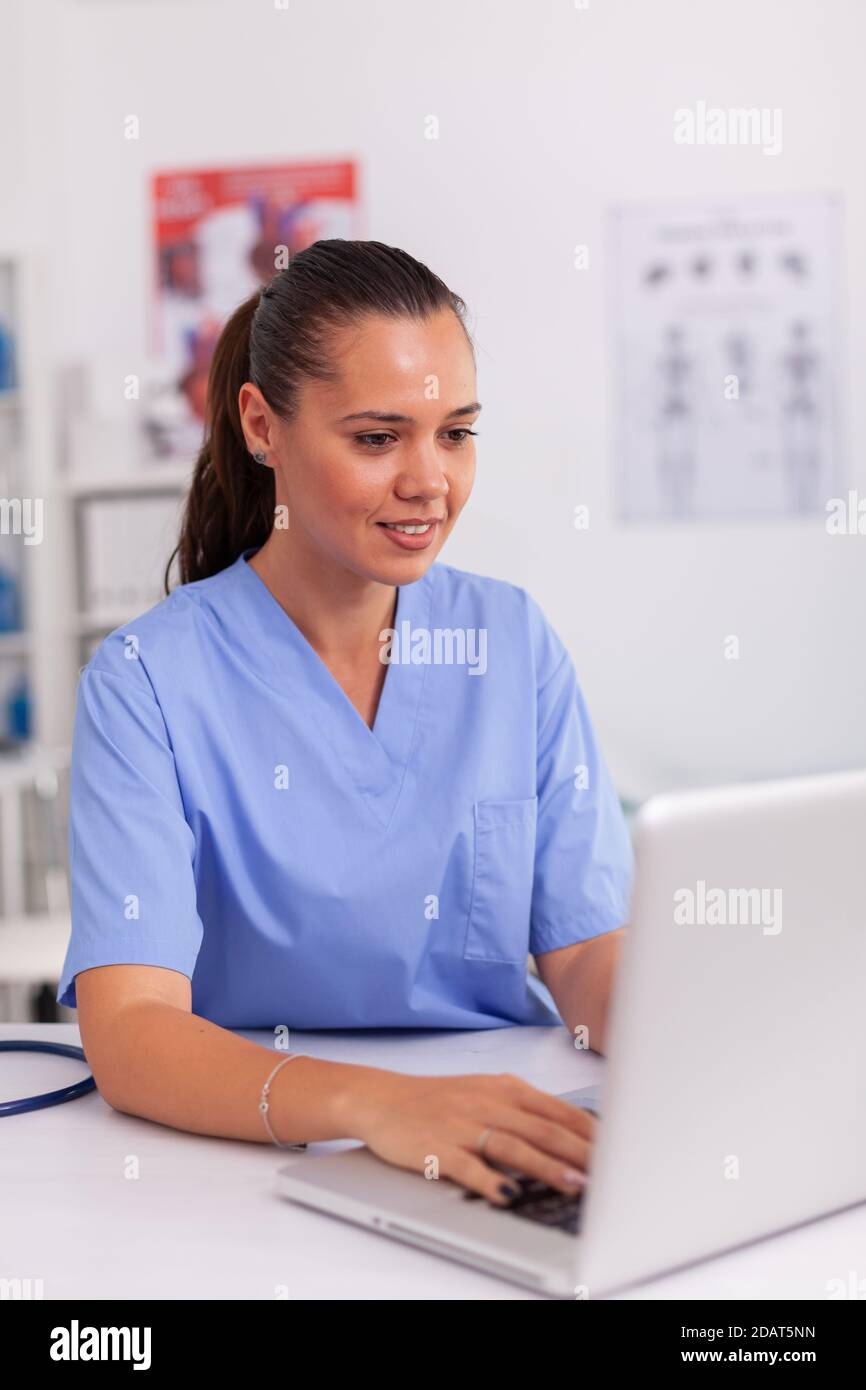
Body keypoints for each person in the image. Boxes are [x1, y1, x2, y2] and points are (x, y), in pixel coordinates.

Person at [57, 240, 633, 1208]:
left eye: (455, 433)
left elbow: (581, 956)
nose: (428, 482)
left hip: (493, 1133)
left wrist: (721, 1054)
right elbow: (131, 1030)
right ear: (260, 426)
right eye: (377, 438)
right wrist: (382, 1107)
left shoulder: (510, 642)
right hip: (239, 1155)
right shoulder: (147, 681)